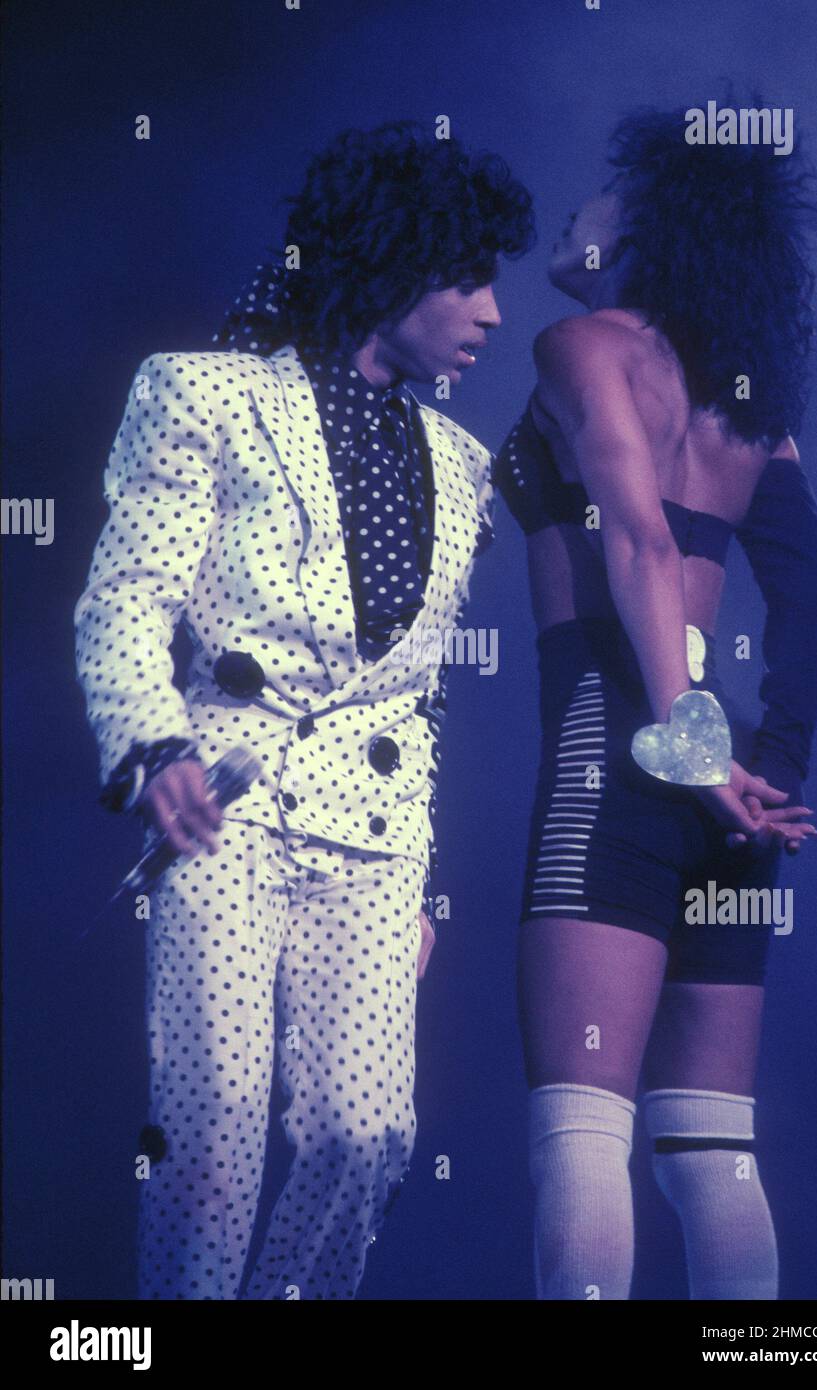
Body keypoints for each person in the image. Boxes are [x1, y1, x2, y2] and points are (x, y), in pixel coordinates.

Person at [74, 121, 534, 1300]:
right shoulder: (205, 393)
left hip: (377, 835)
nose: (490, 312)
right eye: (466, 276)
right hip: (223, 800)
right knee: (217, 1116)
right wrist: (154, 745)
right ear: (387, 264)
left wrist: (417, 881)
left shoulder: (461, 458)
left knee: (365, 1134)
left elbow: (419, 700)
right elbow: (127, 594)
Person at [493, 103, 817, 1300]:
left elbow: (635, 539)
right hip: (724, 776)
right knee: (709, 1146)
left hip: (626, 738)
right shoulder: (749, 405)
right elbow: (812, 593)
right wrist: (763, 770)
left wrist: (683, 742)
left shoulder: (584, 350)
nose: (576, 209)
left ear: (646, 221)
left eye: (602, 191)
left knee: (582, 1127)